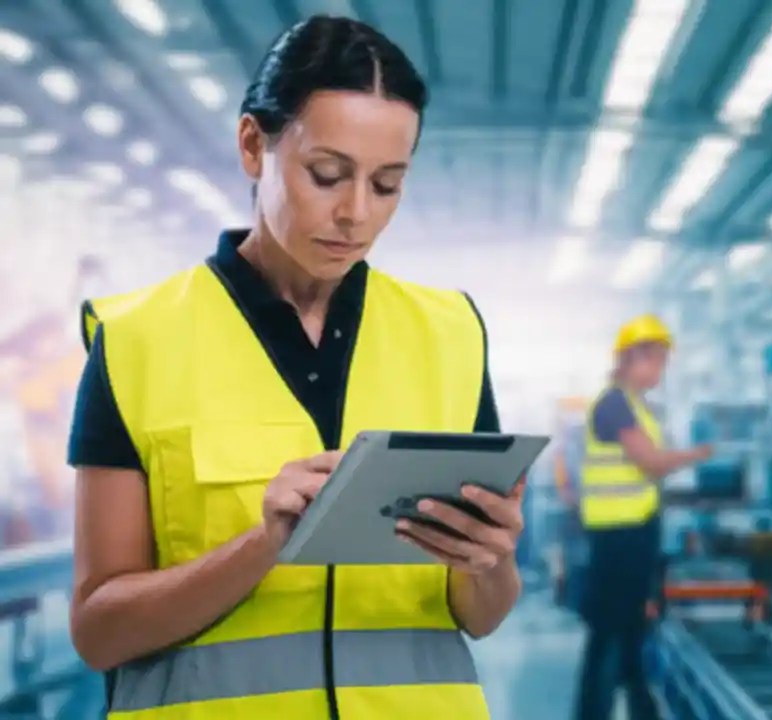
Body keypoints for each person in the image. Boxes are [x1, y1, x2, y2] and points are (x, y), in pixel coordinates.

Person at [66, 16, 521, 719]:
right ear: (254, 145)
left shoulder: (450, 333)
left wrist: (491, 561)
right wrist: (264, 546)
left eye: (387, 184)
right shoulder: (137, 340)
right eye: (327, 175)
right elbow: (99, 633)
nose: (355, 214)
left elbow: (479, 616)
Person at [573, 314, 712, 720]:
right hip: (618, 537)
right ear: (633, 358)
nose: (660, 371)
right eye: (656, 360)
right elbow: (650, 462)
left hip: (633, 534)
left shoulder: (635, 405)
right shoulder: (614, 404)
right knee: (609, 635)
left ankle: (641, 710)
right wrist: (699, 454)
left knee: (631, 631)